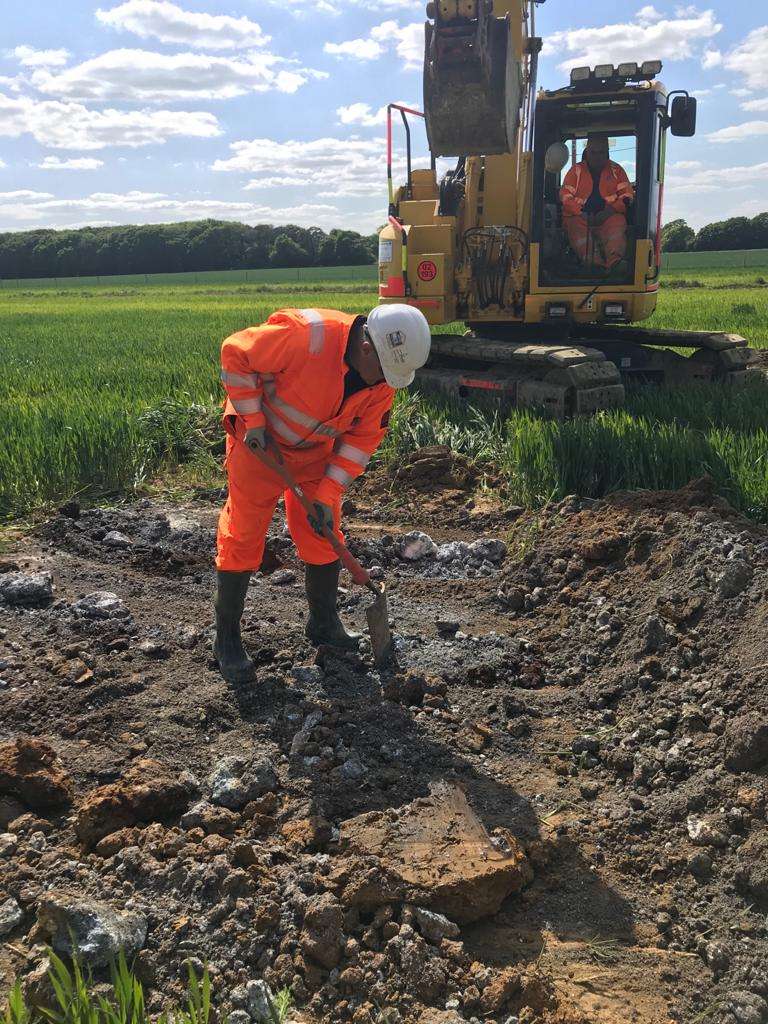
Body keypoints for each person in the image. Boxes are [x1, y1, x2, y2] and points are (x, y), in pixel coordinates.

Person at [214, 304, 432, 684]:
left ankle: (324, 623)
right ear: (366, 347)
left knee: (324, 533)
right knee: (244, 536)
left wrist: (327, 494)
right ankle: (227, 640)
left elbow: (361, 443)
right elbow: (236, 352)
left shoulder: (381, 383)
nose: (385, 383)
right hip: (259, 447)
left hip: (315, 455)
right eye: (384, 371)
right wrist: (254, 420)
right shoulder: (307, 336)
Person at [560, 134, 634, 272]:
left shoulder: (617, 171)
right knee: (574, 225)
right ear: (587, 152)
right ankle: (594, 265)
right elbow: (565, 197)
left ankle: (615, 264)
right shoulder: (576, 171)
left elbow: (627, 196)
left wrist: (609, 212)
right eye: (593, 152)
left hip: (608, 217)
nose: (597, 156)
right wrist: (581, 213)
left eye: (601, 152)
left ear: (607, 153)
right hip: (580, 218)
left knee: (617, 222)